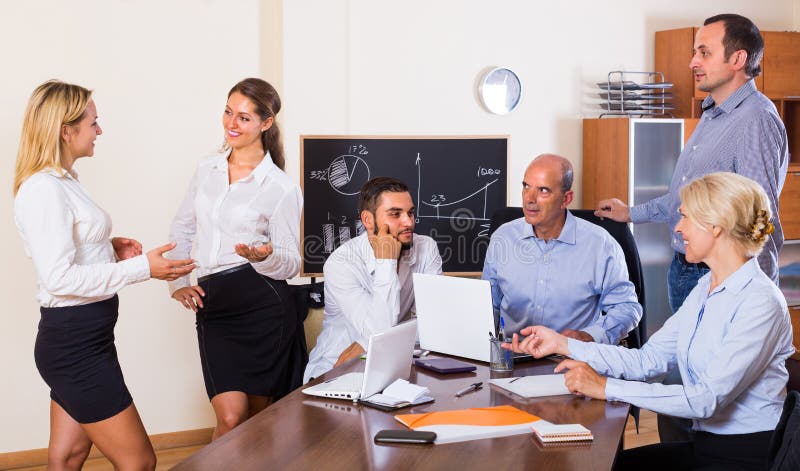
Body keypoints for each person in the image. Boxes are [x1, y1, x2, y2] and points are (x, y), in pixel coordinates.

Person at [508, 172, 794, 471]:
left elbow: (705, 399)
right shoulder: (707, 287)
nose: (678, 228)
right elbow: (649, 360)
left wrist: (605, 387)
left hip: (750, 454)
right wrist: (561, 343)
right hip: (706, 445)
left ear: (715, 225)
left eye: (684, 217)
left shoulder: (760, 302)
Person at [594, 13, 788, 443]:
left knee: (706, 400)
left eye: (703, 52)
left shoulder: (755, 120)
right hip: (691, 272)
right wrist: (631, 213)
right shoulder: (713, 116)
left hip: (718, 275)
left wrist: (756, 294)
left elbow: (757, 216)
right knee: (677, 388)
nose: (692, 62)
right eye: (693, 51)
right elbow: (685, 201)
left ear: (738, 58)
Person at [13, 80, 195, 470]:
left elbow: (67, 251)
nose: (100, 131)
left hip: (86, 341)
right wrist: (142, 267)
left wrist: (107, 248)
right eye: (93, 123)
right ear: (66, 130)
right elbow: (59, 279)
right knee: (139, 462)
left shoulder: (65, 182)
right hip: (74, 348)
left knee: (69, 455)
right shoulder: (43, 190)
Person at [167, 78, 304, 439]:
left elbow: (291, 262)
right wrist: (178, 283)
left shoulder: (281, 188)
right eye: (229, 112)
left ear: (266, 123)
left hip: (263, 304)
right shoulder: (206, 169)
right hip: (214, 303)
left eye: (244, 117)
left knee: (258, 425)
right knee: (229, 418)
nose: (232, 123)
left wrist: (263, 257)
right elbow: (182, 228)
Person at [482, 154, 641, 345]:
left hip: (571, 360)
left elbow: (627, 308)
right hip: (514, 358)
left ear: (566, 199)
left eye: (543, 190)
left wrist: (588, 335)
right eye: (526, 187)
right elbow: (488, 305)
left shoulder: (600, 245)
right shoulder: (503, 237)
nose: (529, 199)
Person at [304, 177, 443, 382]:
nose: (408, 222)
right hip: (337, 369)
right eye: (395, 214)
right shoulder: (341, 263)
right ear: (368, 220)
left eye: (410, 212)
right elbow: (380, 333)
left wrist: (365, 342)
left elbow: (435, 324)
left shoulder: (426, 247)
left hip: (393, 368)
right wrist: (386, 262)